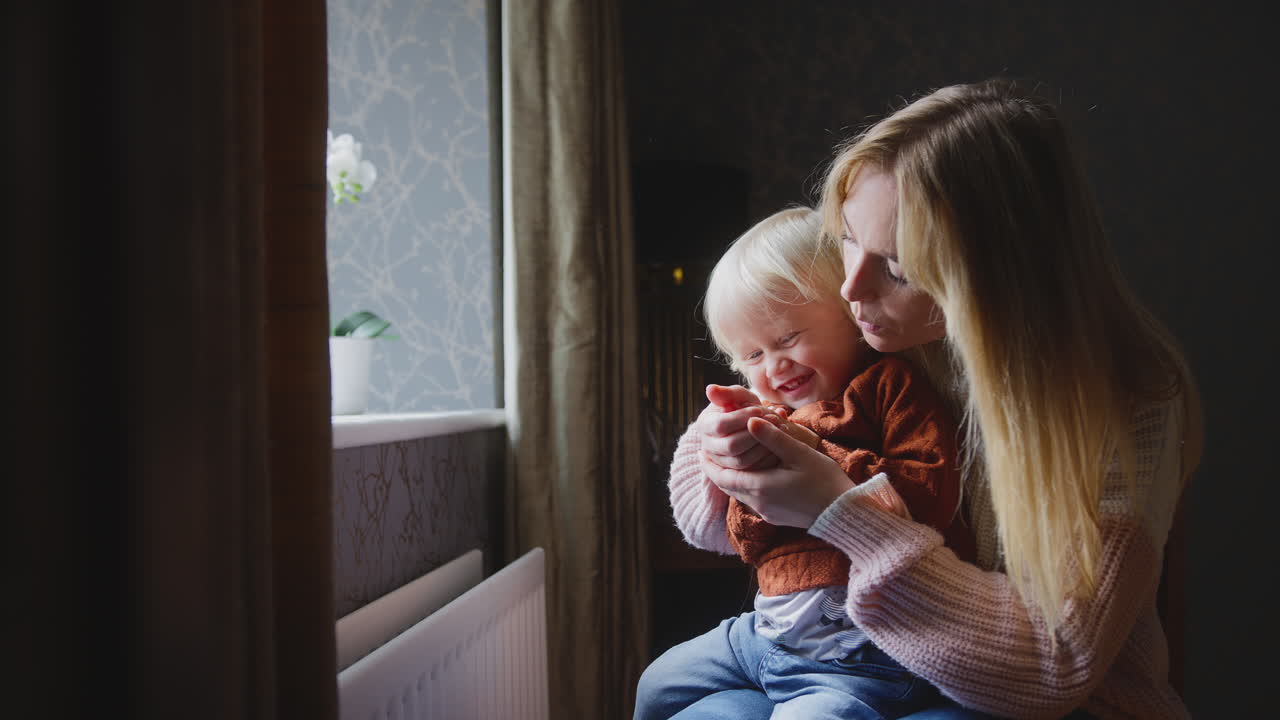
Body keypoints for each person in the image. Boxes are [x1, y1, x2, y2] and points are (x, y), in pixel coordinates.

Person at [652, 78, 1202, 720]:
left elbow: (1054, 670)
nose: (851, 289)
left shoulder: (1126, 403)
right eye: (848, 238)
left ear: (993, 274)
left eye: (900, 266)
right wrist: (723, 442)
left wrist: (838, 509)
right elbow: (743, 471)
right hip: (842, 653)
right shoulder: (884, 331)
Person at [634, 207, 975, 720]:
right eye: (751, 355)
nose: (774, 366)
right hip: (766, 633)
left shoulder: (890, 389)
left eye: (789, 338)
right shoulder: (763, 413)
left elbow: (928, 498)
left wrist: (818, 466)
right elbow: (735, 536)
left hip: (861, 653)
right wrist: (721, 452)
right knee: (658, 683)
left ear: (851, 319)